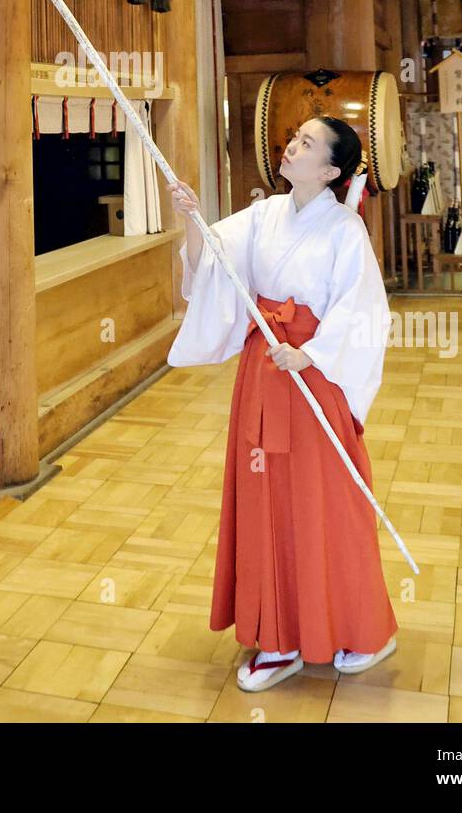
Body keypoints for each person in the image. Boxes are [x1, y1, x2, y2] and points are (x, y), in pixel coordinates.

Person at [167, 116, 397, 692]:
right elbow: (216, 265)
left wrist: (313, 354)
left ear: (330, 170)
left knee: (326, 500)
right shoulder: (265, 214)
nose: (292, 146)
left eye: (308, 144)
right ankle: (279, 637)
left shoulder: (346, 231)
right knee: (264, 498)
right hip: (265, 371)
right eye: (293, 137)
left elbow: (365, 311)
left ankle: (361, 626)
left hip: (314, 378)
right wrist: (191, 219)